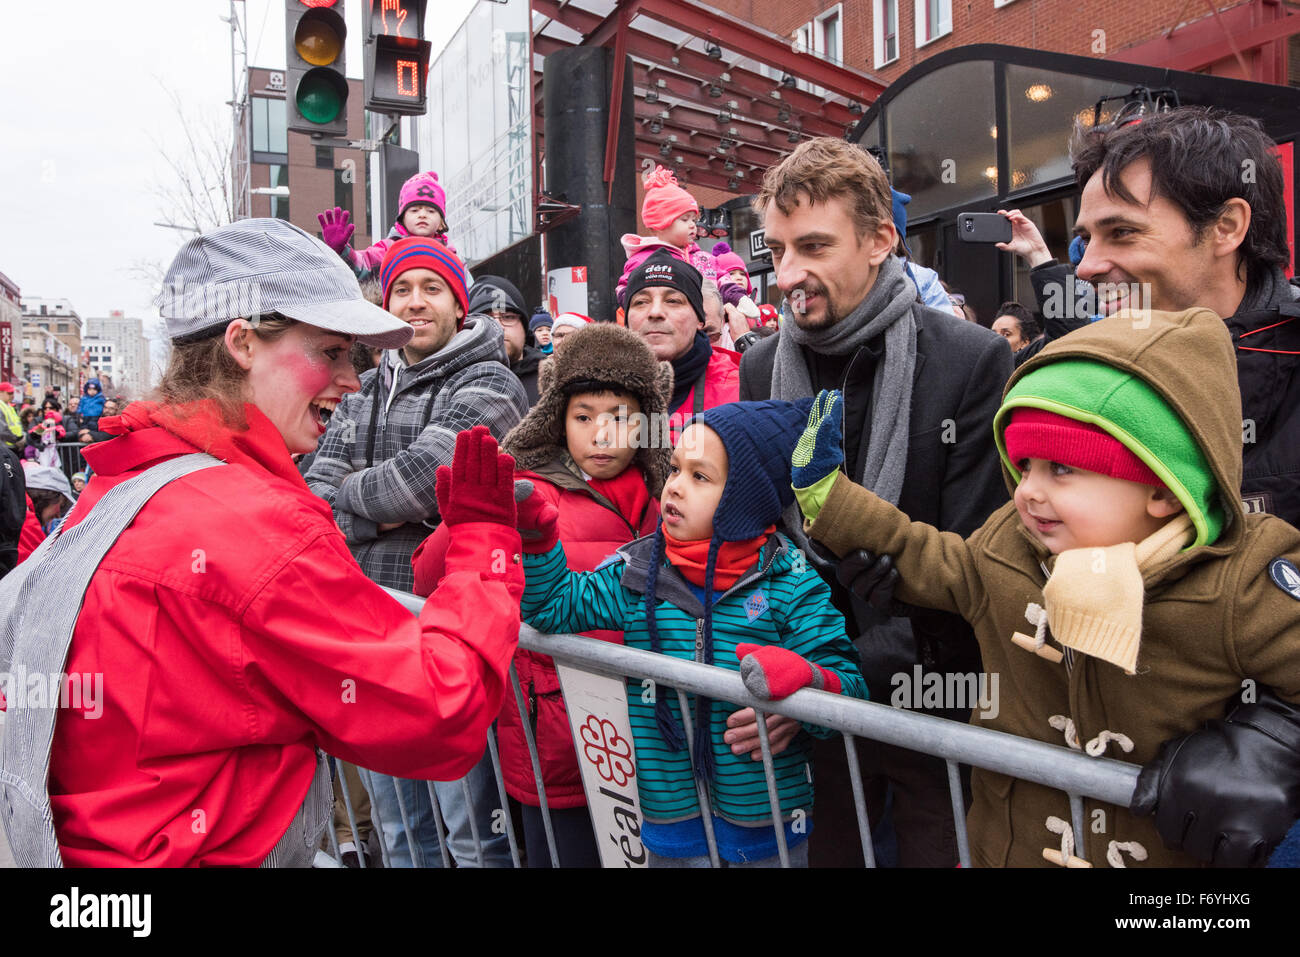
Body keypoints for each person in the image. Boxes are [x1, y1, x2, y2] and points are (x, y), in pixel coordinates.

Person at [0, 218, 526, 866]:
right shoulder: (253, 527)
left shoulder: (122, 485)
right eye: (330, 352)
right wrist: (484, 550)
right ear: (243, 342)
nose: (352, 380)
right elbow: (444, 709)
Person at [794, 306, 1300, 868]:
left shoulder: (1243, 580)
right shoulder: (1009, 544)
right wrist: (832, 501)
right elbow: (936, 558)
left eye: (1061, 469)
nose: (1027, 491)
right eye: (1024, 464)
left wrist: (1276, 742)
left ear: (1164, 486)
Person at [739, 135, 1012, 868]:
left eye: (814, 246)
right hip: (813, 704)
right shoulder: (761, 365)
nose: (789, 274)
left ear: (880, 239)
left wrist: (878, 646)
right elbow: (763, 536)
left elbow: (979, 553)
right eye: (777, 249)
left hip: (934, 704)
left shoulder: (970, 358)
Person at [516, 399, 868, 867]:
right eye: (676, 469)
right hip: (670, 819)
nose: (675, 488)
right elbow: (552, 609)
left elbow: (850, 686)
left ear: (746, 499)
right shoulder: (635, 571)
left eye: (700, 477)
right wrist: (539, 545)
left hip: (766, 826)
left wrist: (806, 692)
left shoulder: (791, 581)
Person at [413, 322, 673, 867]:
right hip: (556, 745)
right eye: (584, 417)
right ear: (558, 417)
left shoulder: (665, 500)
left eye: (622, 418)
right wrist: (465, 525)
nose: (602, 435)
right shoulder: (527, 492)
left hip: (654, 746)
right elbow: (431, 578)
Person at [306, 235, 528, 868]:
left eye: (432, 289)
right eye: (401, 288)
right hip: (372, 633)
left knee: (471, 832)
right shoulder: (363, 387)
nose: (415, 302)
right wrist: (376, 511)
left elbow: (427, 475)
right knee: (402, 831)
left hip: (452, 632)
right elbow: (314, 498)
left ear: (460, 305)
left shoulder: (490, 379)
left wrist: (356, 500)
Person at [1069, 105, 1300, 527]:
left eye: (1122, 232)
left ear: (1226, 227)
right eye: (1087, 239)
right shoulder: (1077, 375)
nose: (1086, 266)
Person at [617, 165, 758, 320]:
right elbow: (626, 289)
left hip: (709, 327)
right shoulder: (644, 260)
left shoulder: (704, 258)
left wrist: (739, 298)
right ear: (660, 223)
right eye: (684, 219)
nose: (692, 225)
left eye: (693, 219)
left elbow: (722, 280)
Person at [625, 251, 740, 438]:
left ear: (699, 320)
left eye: (672, 301)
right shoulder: (596, 390)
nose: (655, 312)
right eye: (641, 302)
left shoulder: (739, 390)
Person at [317, 171, 452, 284]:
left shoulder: (451, 254)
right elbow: (363, 264)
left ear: (441, 222)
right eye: (415, 210)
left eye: (431, 211)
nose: (422, 215)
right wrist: (342, 251)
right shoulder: (389, 249)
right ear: (402, 219)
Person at [468, 275, 546, 405]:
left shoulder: (554, 382)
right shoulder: (449, 384)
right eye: (486, 319)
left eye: (508, 317)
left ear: (524, 327)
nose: (498, 327)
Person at [0, 383, 24, 453]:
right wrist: (16, 440)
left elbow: (17, 424)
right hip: (6, 447)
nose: (12, 396)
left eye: (13, 393)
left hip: (12, 445)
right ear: (1, 392)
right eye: (9, 393)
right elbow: (2, 430)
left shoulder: (9, 406)